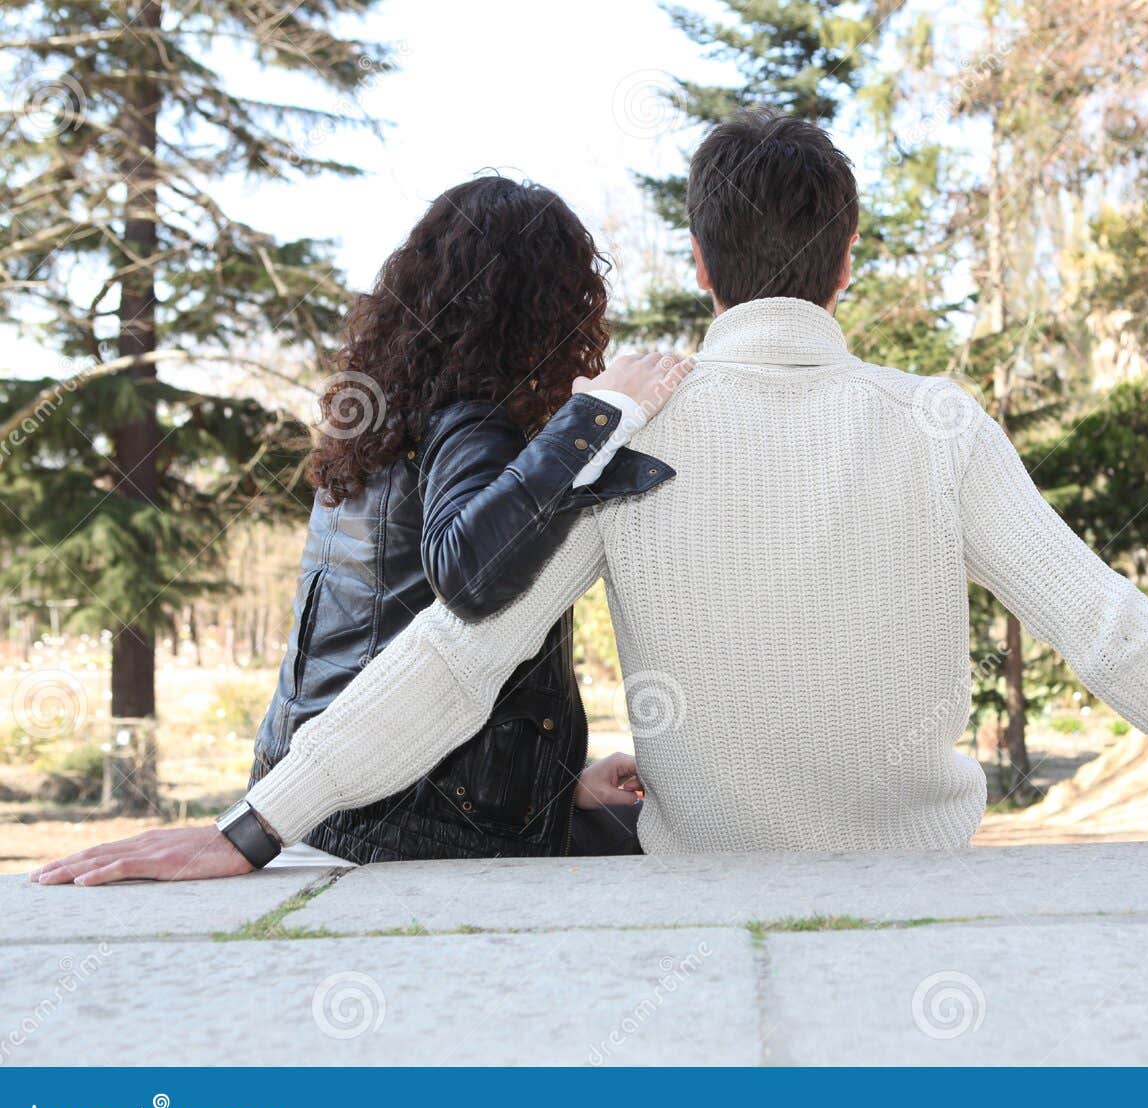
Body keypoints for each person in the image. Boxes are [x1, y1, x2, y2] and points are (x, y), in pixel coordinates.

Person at [35, 113, 1148, 884]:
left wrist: (241, 831)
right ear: (846, 253)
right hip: (930, 884)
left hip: (697, 895)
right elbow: (1115, 636)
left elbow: (451, 658)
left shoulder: (617, 436)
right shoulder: (936, 424)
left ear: (699, 262)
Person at [34, 175, 690, 882]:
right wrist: (593, 420)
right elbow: (468, 574)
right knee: (685, 851)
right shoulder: (474, 424)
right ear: (549, 309)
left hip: (323, 798)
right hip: (419, 819)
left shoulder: (378, 433)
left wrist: (560, 785)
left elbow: (391, 637)